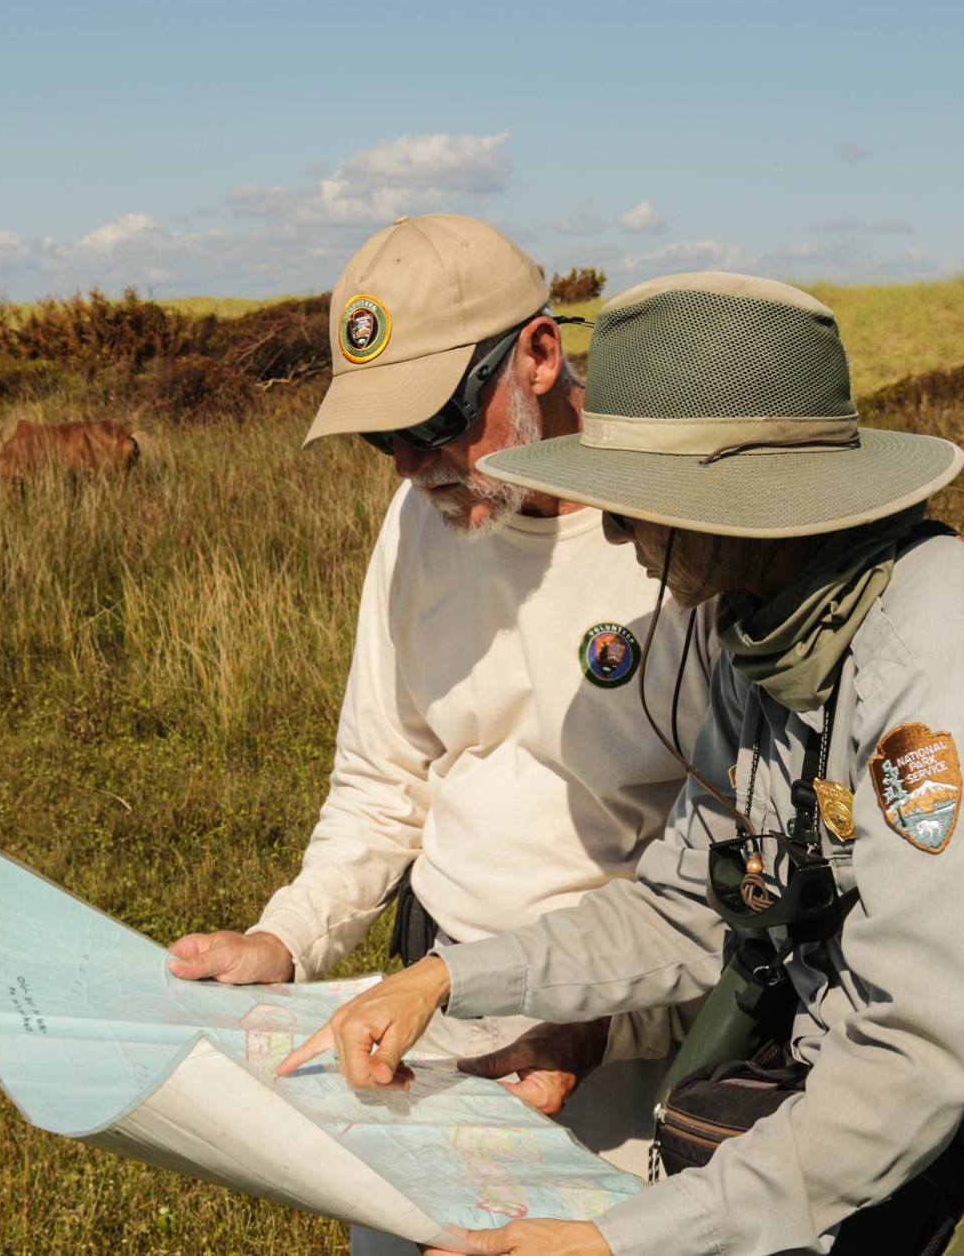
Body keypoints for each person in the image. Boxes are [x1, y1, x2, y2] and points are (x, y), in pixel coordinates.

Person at [280, 272, 964, 1255]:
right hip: (843, 1138)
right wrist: (441, 980)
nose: (619, 531)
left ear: (746, 502)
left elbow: (912, 1055)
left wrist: (616, 1243)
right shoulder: (754, 640)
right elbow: (680, 906)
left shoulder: (935, 668)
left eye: (639, 501)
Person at [165, 215, 708, 1252]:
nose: (415, 466)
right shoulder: (419, 521)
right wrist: (287, 938)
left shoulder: (684, 546)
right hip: (434, 1014)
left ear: (539, 354)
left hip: (629, 1054)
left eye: (440, 423)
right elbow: (383, 777)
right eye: (386, 438)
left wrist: (590, 1030)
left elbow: (728, 882)